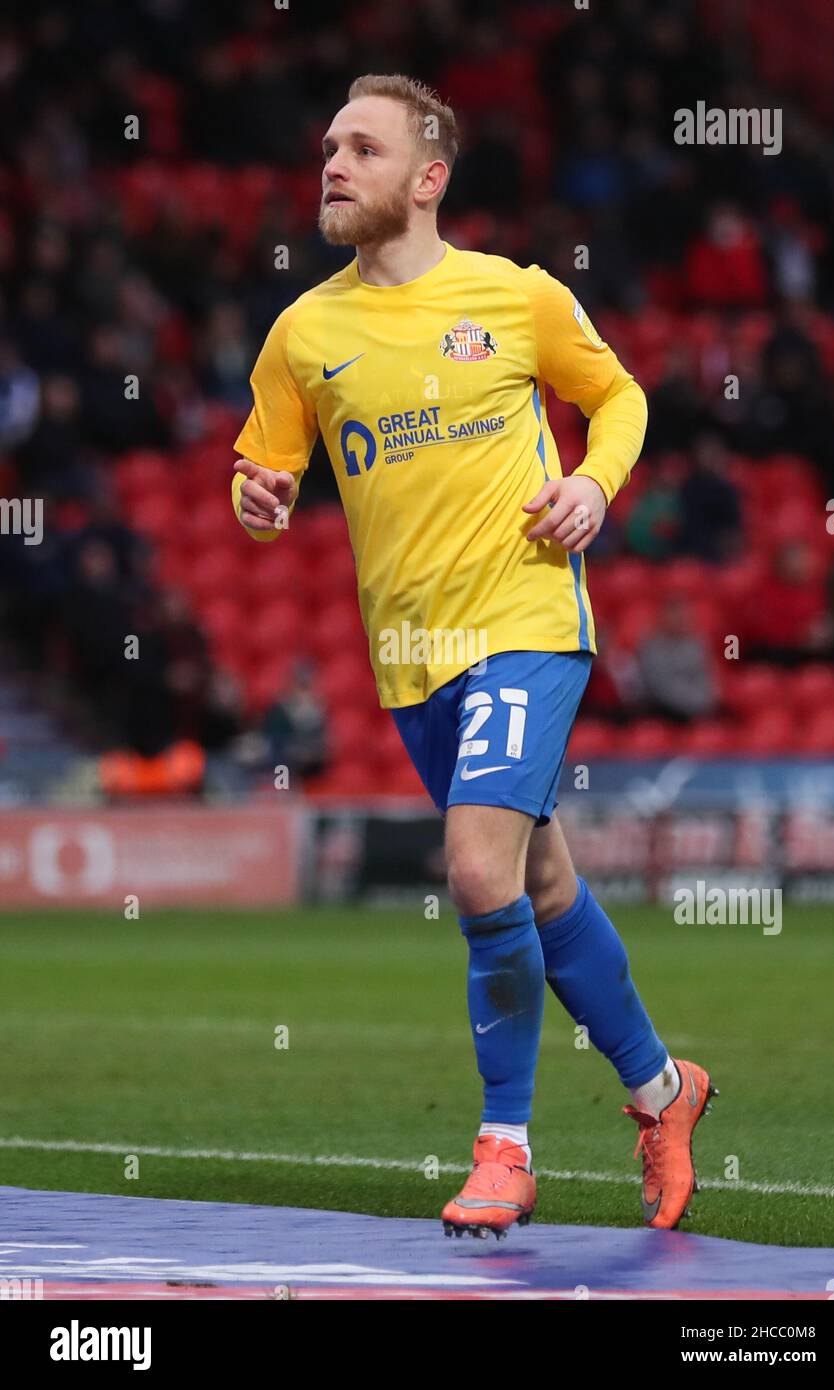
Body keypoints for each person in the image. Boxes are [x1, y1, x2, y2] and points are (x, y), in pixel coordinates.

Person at [232, 74, 715, 1239]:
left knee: (476, 868)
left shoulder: (513, 297)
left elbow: (620, 398)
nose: (332, 164)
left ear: (428, 178)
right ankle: (663, 1090)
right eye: (328, 145)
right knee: (538, 881)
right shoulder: (303, 333)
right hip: (411, 656)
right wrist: (256, 497)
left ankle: (504, 1144)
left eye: (362, 146)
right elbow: (265, 474)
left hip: (525, 619)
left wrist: (592, 487)